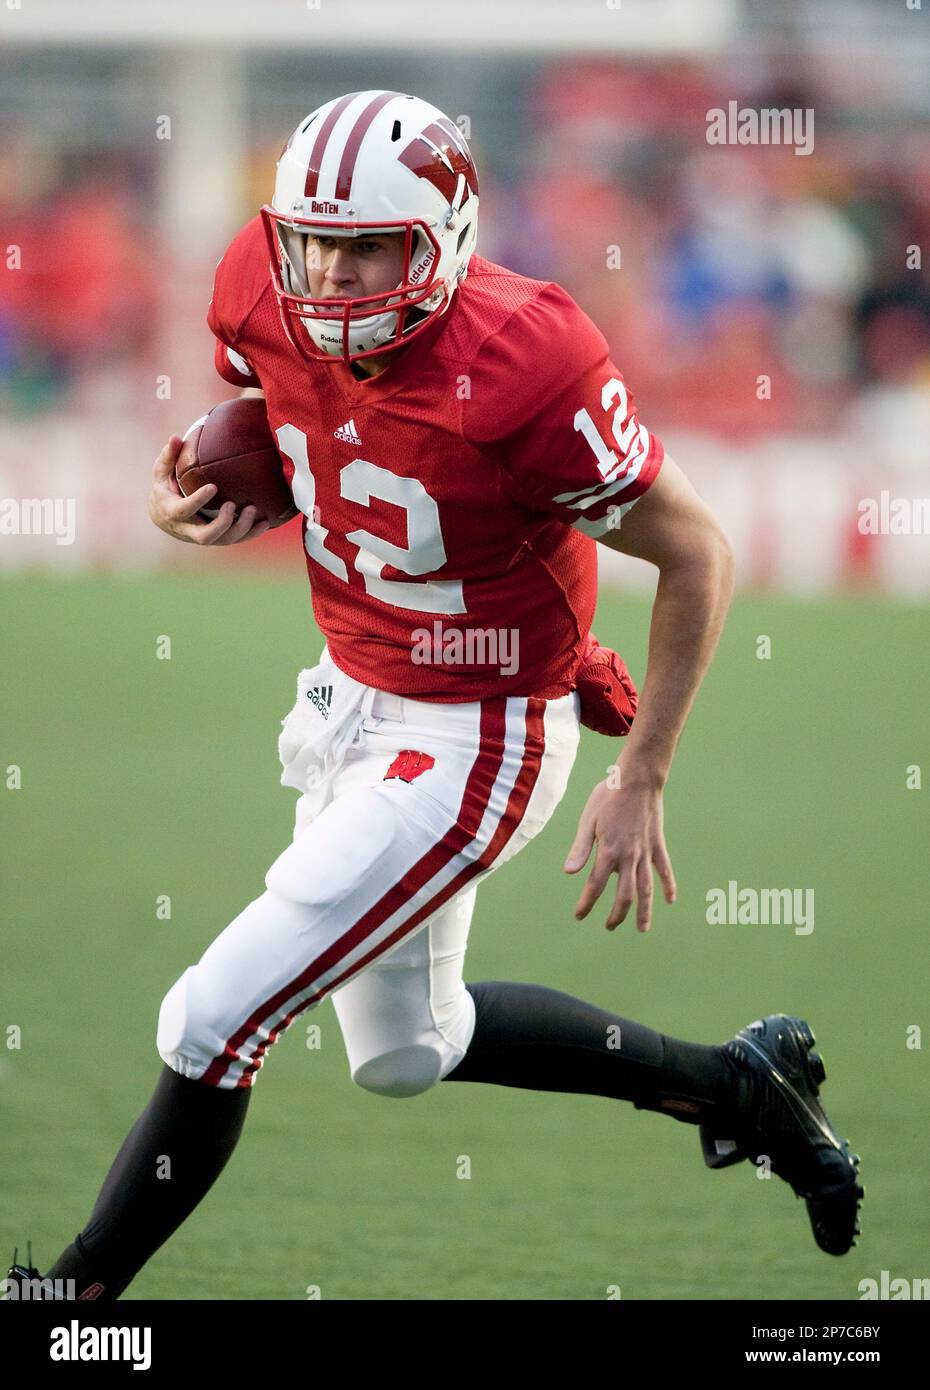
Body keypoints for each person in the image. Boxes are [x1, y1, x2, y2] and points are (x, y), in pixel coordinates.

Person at [6, 90, 861, 1302]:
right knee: (408, 1052)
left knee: (212, 1017)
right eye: (319, 242)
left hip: (480, 738)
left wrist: (645, 772)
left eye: (372, 247)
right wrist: (186, 499)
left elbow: (697, 552)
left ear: (448, 237)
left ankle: (69, 1302)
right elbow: (299, 433)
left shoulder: (530, 362)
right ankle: (743, 1087)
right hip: (350, 698)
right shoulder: (259, 283)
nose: (336, 275)